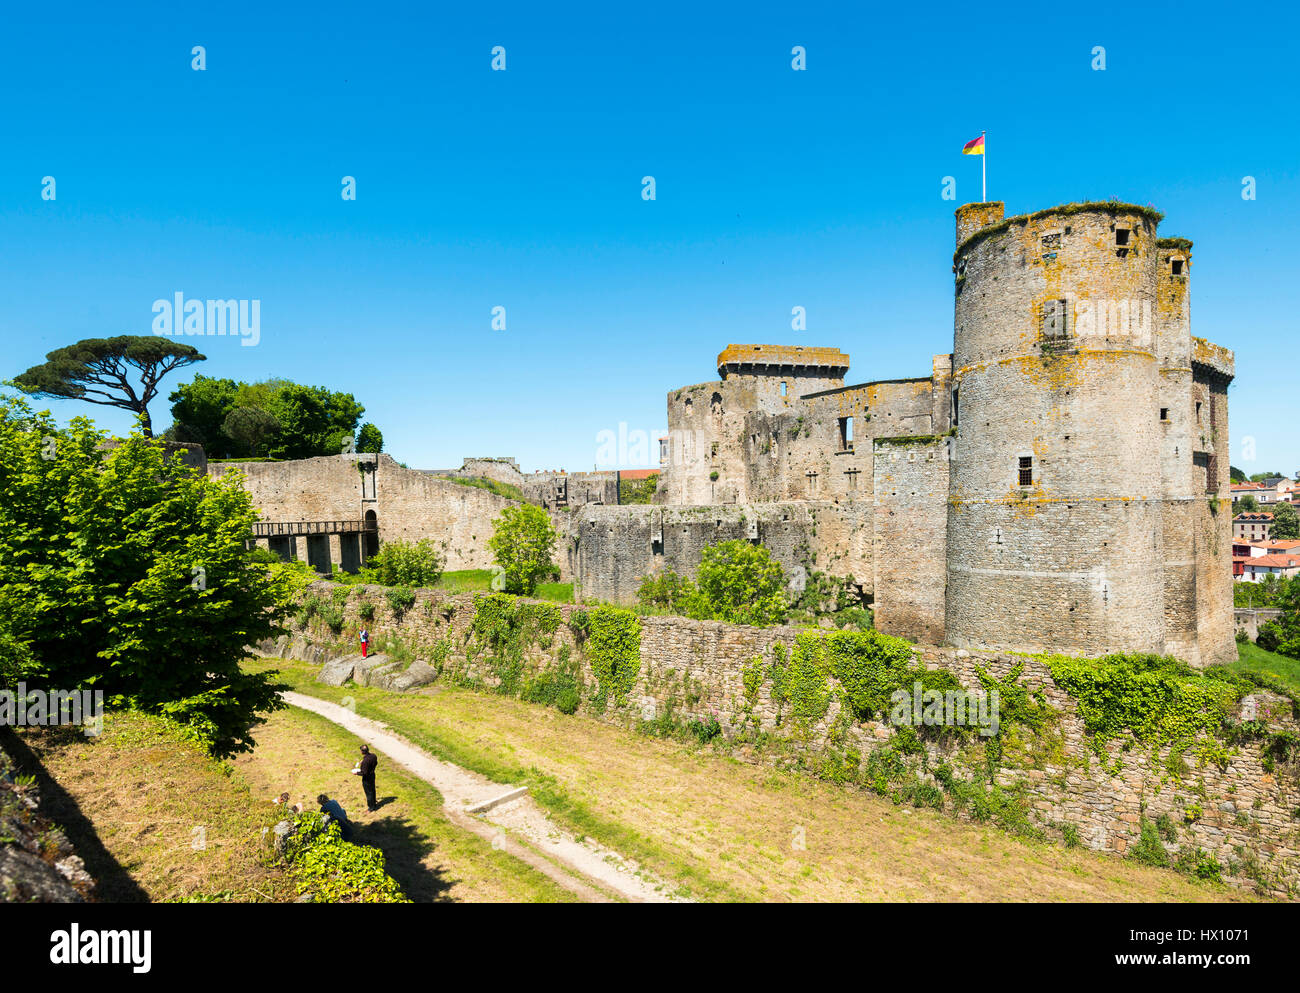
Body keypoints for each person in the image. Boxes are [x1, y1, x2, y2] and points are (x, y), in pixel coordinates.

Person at [354, 744, 379, 811]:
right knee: (373, 790)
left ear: (362, 751)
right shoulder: (373, 756)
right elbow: (376, 763)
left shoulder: (365, 761)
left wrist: (356, 773)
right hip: (372, 775)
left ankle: (371, 808)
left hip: (367, 779)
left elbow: (364, 773)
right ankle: (374, 803)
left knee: (368, 793)